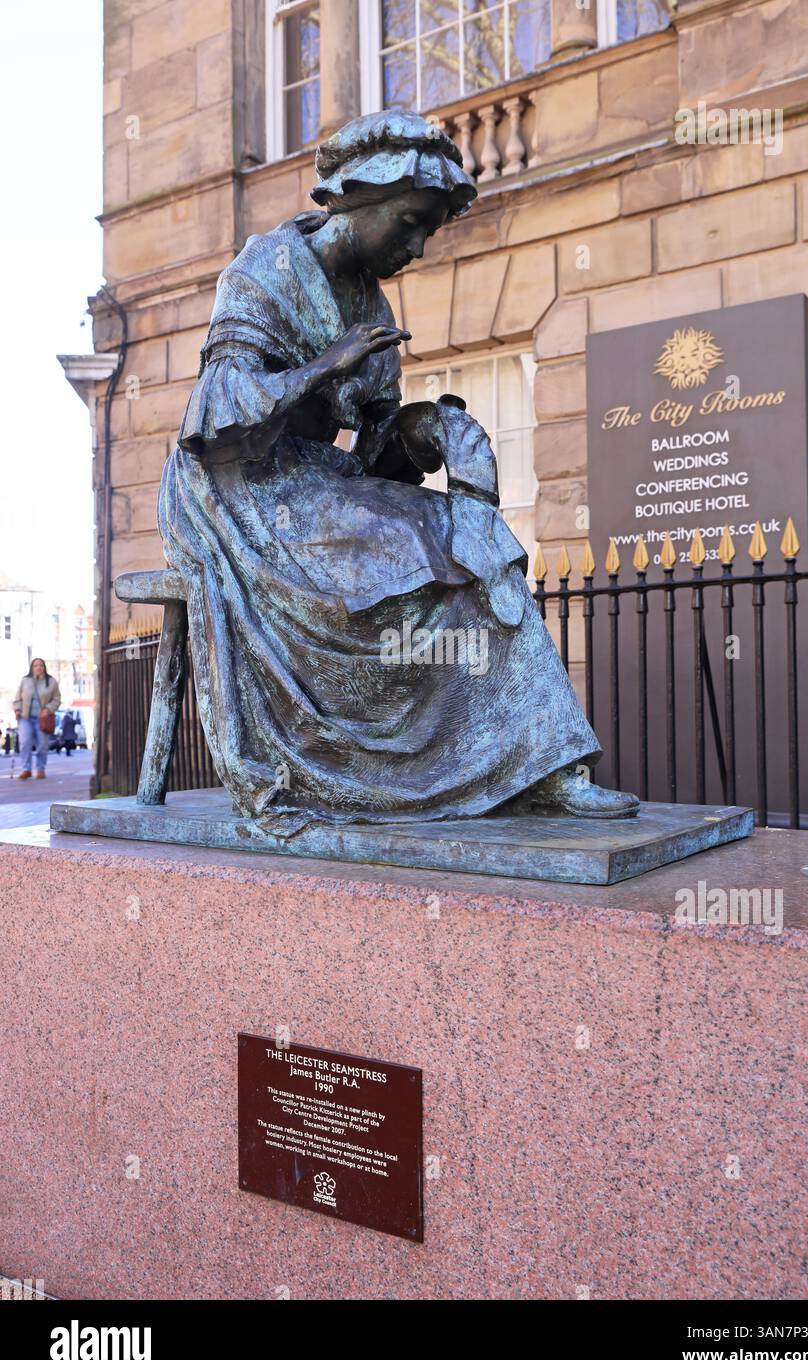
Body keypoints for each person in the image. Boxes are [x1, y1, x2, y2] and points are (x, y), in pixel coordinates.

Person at [158, 109, 637, 834]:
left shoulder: (371, 302)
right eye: (410, 222)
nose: (416, 246)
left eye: (427, 231)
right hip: (238, 489)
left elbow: (370, 449)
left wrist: (422, 433)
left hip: (319, 481)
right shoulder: (265, 270)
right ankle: (373, 767)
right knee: (407, 541)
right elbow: (216, 423)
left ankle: (545, 763)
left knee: (470, 538)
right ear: (359, 198)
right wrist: (327, 366)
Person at [13, 658, 61, 780]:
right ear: (32, 668)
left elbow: (57, 699)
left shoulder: (51, 682)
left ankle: (40, 769)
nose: (38, 667)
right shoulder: (25, 680)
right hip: (25, 718)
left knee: (42, 745)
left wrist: (48, 709)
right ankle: (26, 769)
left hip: (43, 719)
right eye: (36, 665)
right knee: (24, 743)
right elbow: (18, 697)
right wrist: (17, 710)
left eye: (41, 665)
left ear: (44, 667)